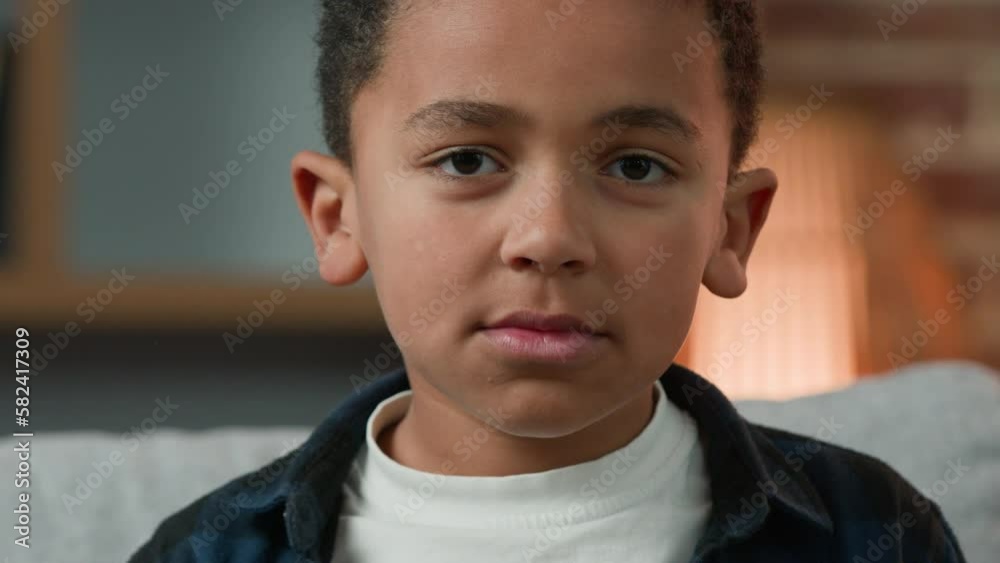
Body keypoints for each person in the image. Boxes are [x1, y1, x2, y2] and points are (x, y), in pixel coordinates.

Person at [128, 0, 967, 561]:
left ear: (730, 226)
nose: (551, 238)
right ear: (337, 218)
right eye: (467, 159)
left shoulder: (873, 532)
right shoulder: (204, 549)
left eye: (635, 166)